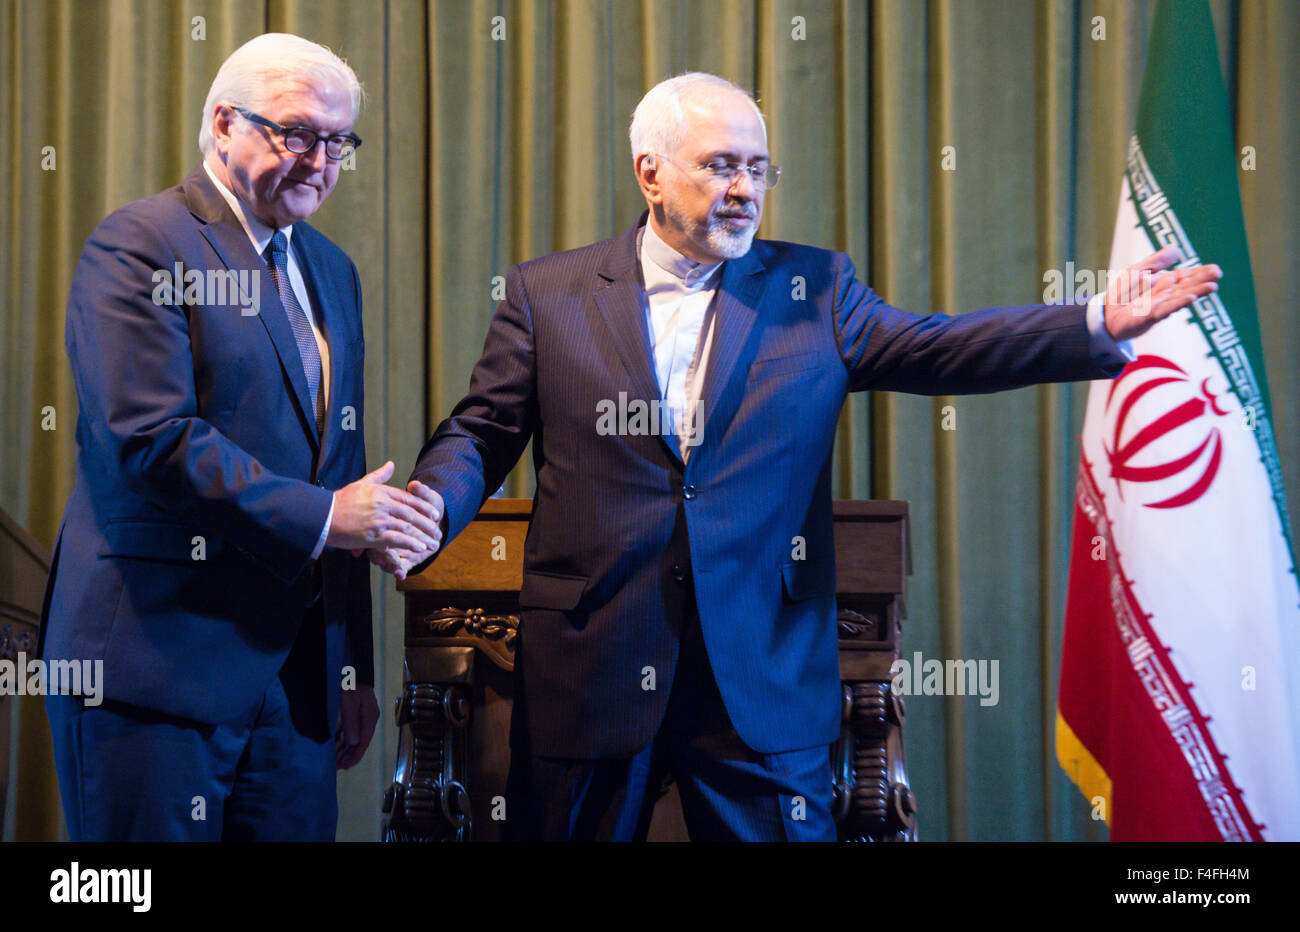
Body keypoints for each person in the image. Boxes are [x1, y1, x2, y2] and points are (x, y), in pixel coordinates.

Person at [389, 72, 1220, 841]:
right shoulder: (548, 293)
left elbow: (939, 347)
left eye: (759, 168)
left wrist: (1093, 325)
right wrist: (433, 502)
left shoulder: (815, 289)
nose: (746, 190)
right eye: (721, 166)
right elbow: (484, 430)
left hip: (760, 676)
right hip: (591, 663)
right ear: (650, 173)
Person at [39, 33, 442, 841]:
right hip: (154, 669)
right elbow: (150, 437)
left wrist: (351, 668)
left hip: (296, 687)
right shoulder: (139, 244)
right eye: (296, 133)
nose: (319, 160)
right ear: (224, 123)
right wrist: (328, 519)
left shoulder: (331, 269)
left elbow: (344, 470)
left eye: (337, 142)